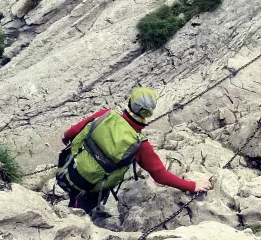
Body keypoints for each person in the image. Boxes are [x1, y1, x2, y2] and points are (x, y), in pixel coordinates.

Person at [56, 88, 213, 213]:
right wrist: (192, 186)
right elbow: (161, 176)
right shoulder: (140, 146)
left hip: (69, 168)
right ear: (149, 113)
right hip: (92, 188)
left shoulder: (105, 115)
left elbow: (75, 130)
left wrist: (65, 138)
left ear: (130, 103)